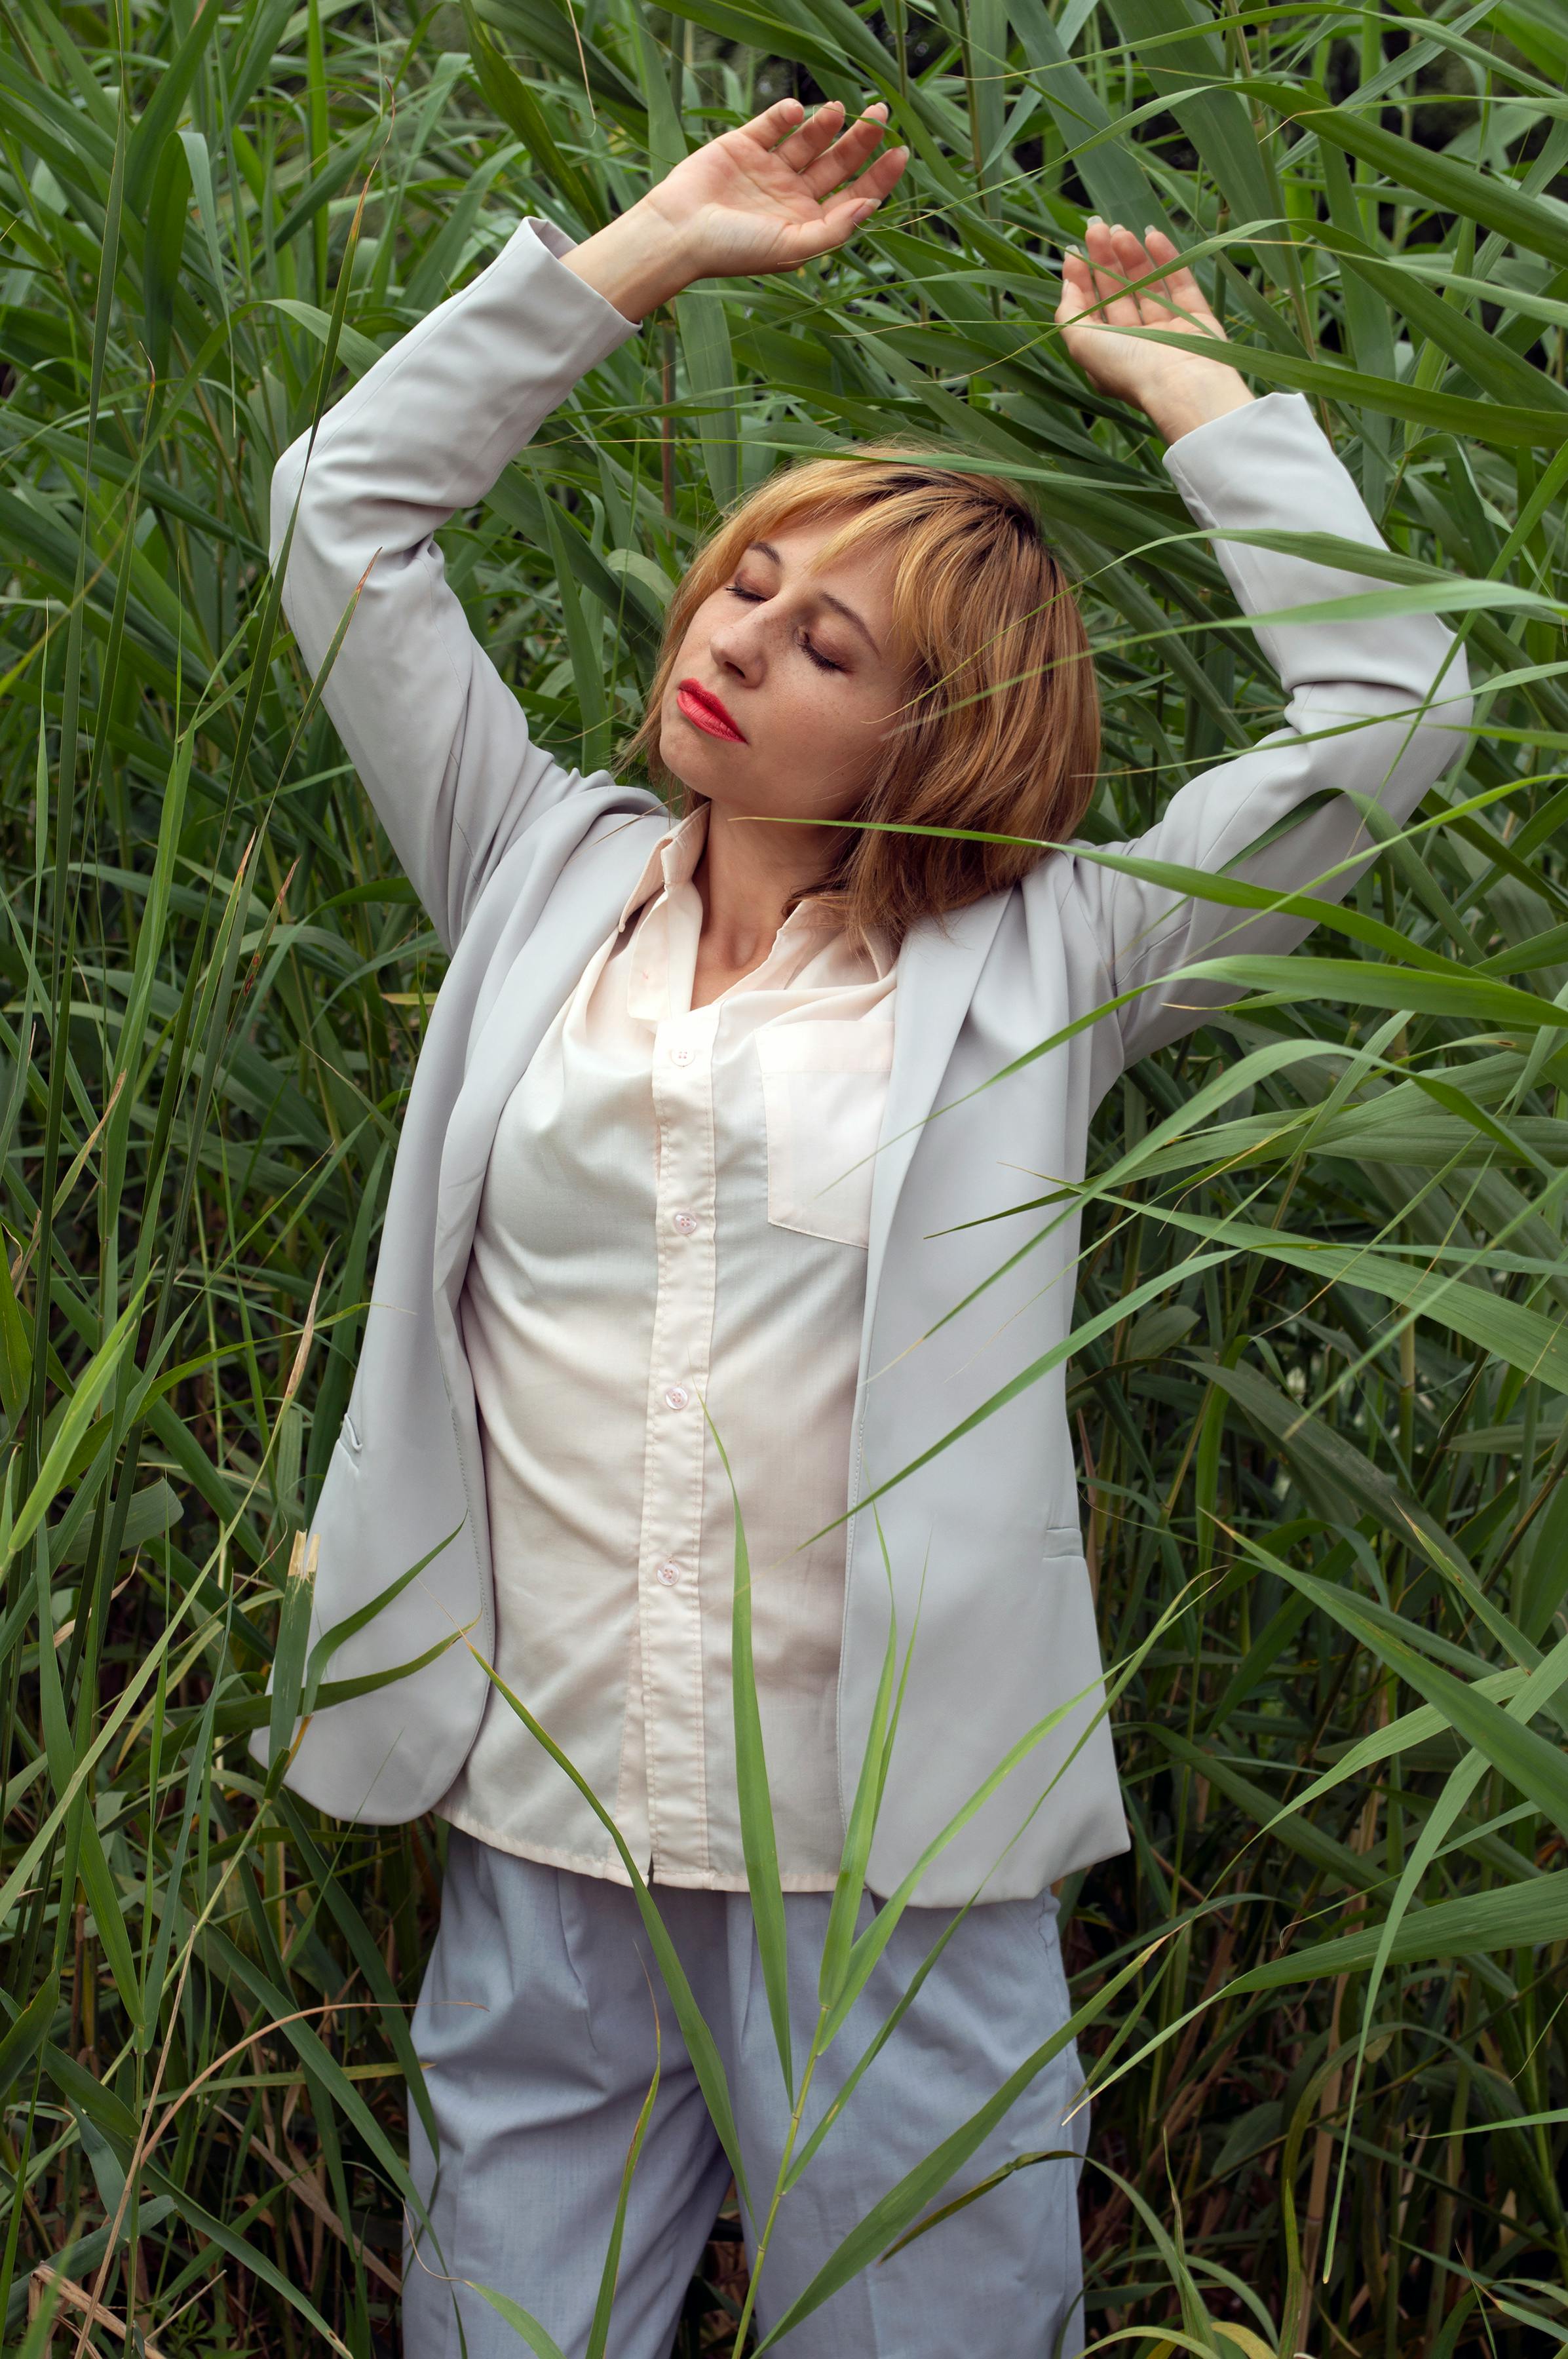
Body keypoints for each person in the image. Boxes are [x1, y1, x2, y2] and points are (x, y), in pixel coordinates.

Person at [259, 94, 1469, 2359]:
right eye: (749, 580)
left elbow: (1393, 706)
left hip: (895, 1842)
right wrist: (650, 249)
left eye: (831, 647)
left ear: (943, 734)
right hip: (546, 1804)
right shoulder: (533, 872)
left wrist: (1192, 390)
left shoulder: (1059, 964)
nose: (740, 636)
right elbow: (341, 520)